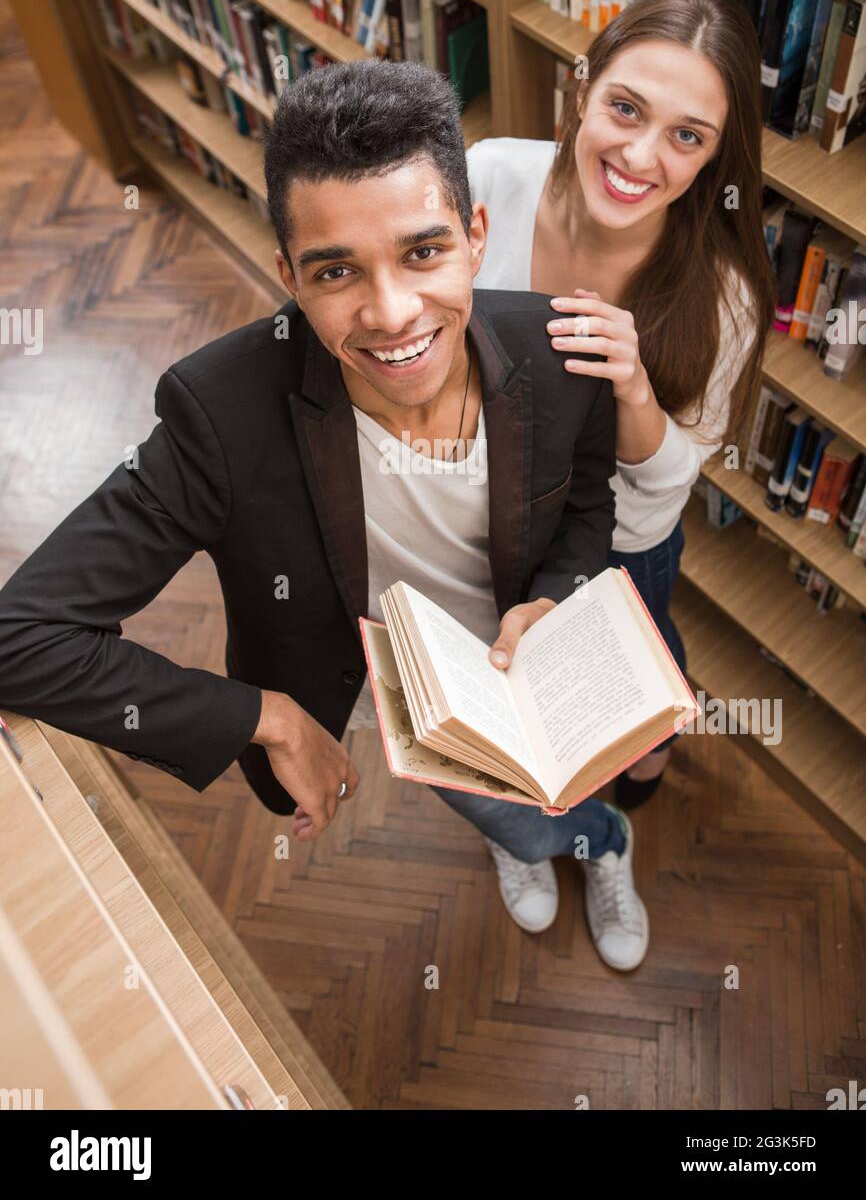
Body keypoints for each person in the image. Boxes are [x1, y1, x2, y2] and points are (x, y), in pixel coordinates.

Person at [0, 59, 644, 971]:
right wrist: (265, 717)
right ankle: (530, 837)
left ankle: (603, 843)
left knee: (558, 811)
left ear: (474, 234)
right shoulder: (218, 411)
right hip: (396, 689)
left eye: (424, 251)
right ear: (288, 277)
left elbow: (588, 505)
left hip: (525, 669)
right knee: (498, 806)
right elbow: (20, 637)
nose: (389, 315)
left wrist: (554, 594)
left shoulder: (557, 348)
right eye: (337, 270)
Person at [466, 0, 775, 812]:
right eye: (626, 109)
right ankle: (546, 828)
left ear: (715, 156)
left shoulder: (726, 299)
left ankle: (631, 792)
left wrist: (633, 388)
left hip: (622, 552)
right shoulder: (490, 174)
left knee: (631, 691)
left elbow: (653, 509)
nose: (642, 157)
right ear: (582, 88)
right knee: (519, 693)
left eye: (687, 136)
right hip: (483, 507)